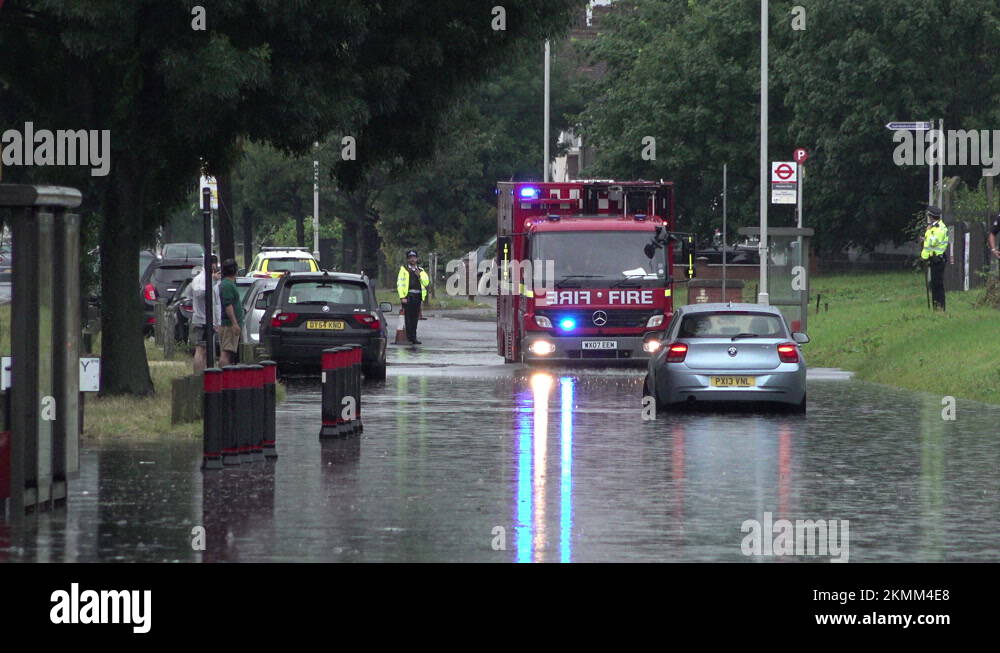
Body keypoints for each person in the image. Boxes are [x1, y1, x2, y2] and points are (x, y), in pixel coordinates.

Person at [190, 255, 222, 374]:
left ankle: (204, 374)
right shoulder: (200, 279)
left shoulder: (210, 278)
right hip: (201, 320)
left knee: (206, 350)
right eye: (214, 264)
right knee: (200, 349)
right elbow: (199, 294)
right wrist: (212, 281)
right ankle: (198, 375)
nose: (215, 267)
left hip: (209, 320)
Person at [396, 249, 429, 344]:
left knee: (415, 318)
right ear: (407, 259)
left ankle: (413, 337)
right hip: (408, 296)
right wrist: (402, 297)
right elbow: (400, 284)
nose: (412, 259)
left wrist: (420, 276)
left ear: (417, 258)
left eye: (414, 257)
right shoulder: (404, 270)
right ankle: (409, 337)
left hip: (418, 296)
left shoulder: (421, 270)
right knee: (408, 318)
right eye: (410, 258)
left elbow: (426, 282)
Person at [920, 206, 949, 311]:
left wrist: (926, 234)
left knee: (938, 285)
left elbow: (932, 242)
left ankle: (940, 307)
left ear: (931, 217)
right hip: (933, 259)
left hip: (938, 260)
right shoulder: (934, 227)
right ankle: (936, 307)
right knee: (935, 285)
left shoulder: (940, 228)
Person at [218, 258, 244, 366]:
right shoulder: (227, 285)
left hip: (230, 324)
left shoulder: (227, 284)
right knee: (226, 352)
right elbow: (228, 306)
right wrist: (234, 323)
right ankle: (222, 376)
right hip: (229, 325)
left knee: (229, 352)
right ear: (235, 270)